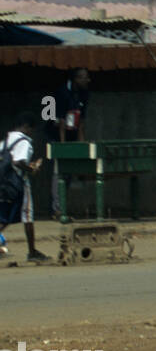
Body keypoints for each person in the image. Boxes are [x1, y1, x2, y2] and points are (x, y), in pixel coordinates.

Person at [0, 113, 52, 263]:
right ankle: (32, 251)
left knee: (5, 217)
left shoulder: (7, 140)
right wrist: (32, 168)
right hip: (18, 184)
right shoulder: (24, 142)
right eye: (32, 130)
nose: (32, 133)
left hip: (3, 183)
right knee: (27, 215)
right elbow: (18, 161)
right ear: (27, 128)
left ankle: (32, 251)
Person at [49, 67, 91, 219]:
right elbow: (59, 122)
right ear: (75, 79)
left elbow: (82, 120)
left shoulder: (84, 94)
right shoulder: (61, 93)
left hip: (72, 134)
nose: (87, 80)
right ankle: (57, 209)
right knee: (58, 170)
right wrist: (63, 146)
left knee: (68, 172)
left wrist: (81, 143)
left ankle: (63, 207)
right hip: (58, 135)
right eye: (83, 77)